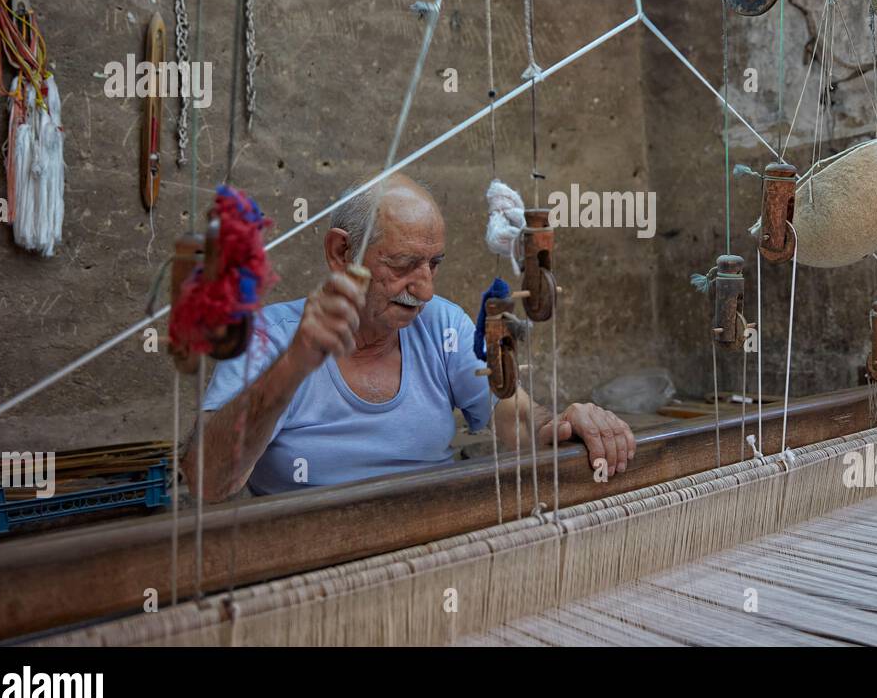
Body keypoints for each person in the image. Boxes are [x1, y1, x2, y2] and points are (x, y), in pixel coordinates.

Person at [184, 175, 636, 500]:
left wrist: (560, 425)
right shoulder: (267, 337)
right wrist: (294, 364)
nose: (424, 289)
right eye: (402, 266)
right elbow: (207, 483)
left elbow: (512, 417)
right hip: (306, 563)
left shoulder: (441, 325)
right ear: (341, 252)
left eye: (433, 265)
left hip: (428, 545)